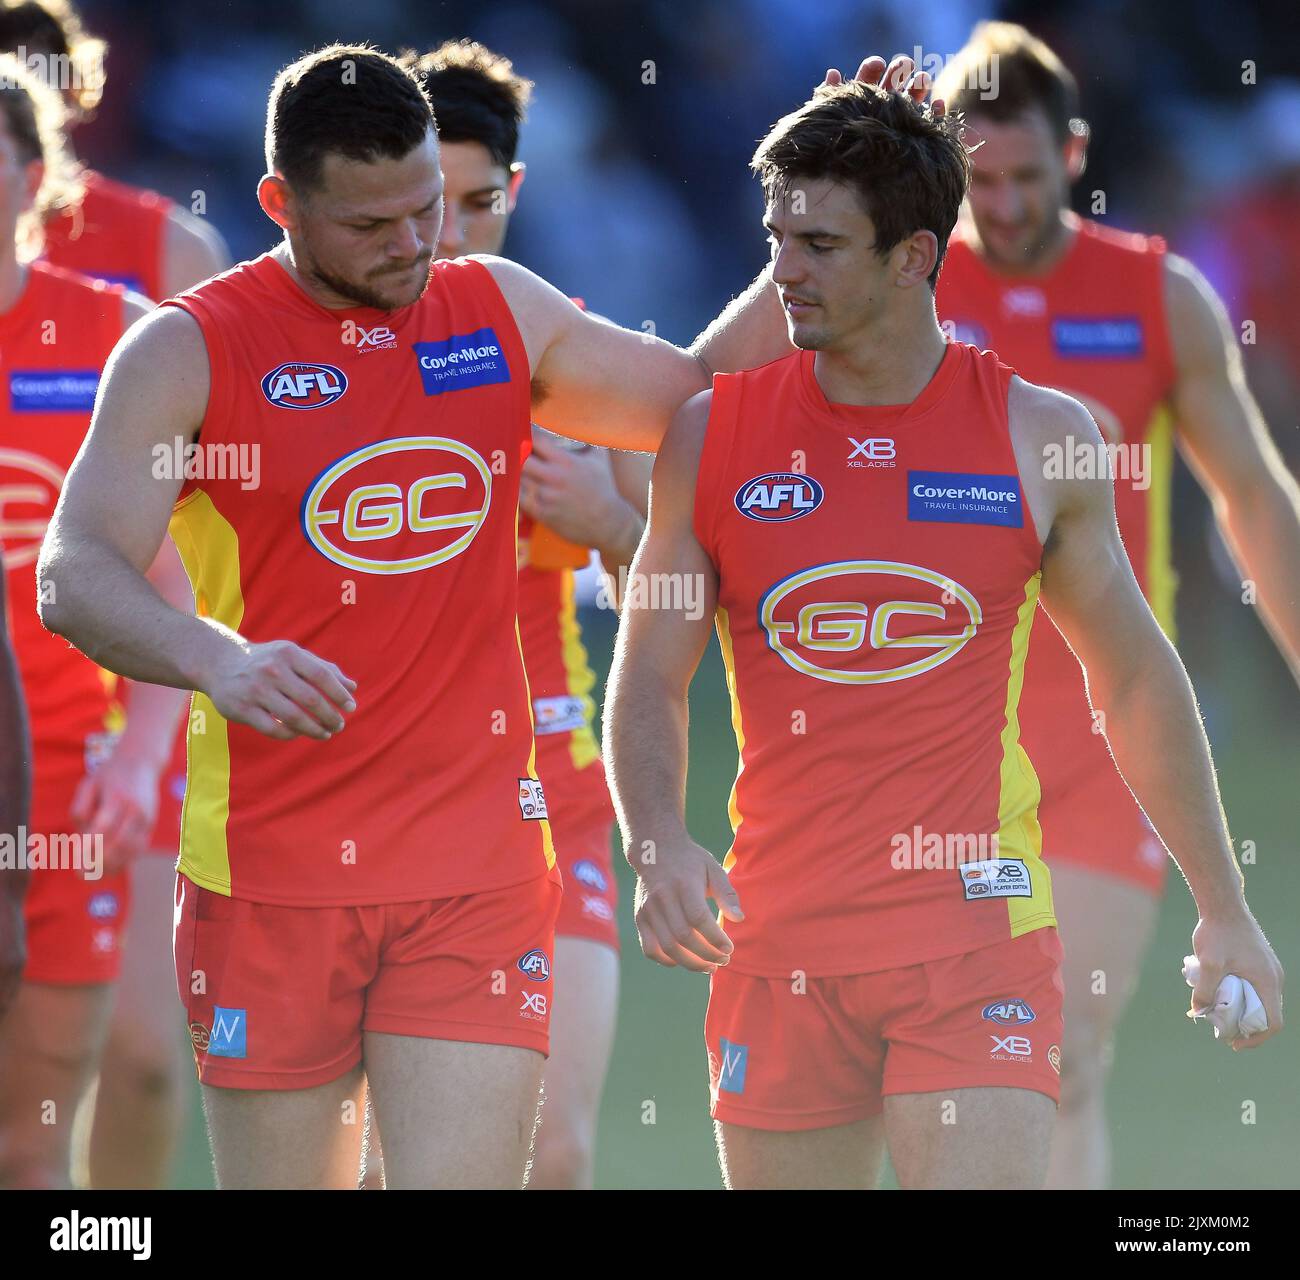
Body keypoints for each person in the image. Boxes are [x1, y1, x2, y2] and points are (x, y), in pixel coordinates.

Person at [36, 41, 817, 1190]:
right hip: (268, 874)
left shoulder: (490, 305)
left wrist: (814, 209)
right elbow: (76, 567)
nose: (414, 245)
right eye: (371, 226)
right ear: (278, 205)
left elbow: (697, 398)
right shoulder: (187, 350)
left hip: (476, 868)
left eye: (427, 211)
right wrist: (218, 659)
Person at [603, 75, 1283, 1191]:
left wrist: (1223, 905)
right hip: (780, 944)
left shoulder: (1037, 438)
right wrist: (658, 841)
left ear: (915, 257)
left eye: (820, 244)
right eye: (777, 237)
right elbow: (648, 675)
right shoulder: (709, 436)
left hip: (974, 943)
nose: (786, 271)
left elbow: (1137, 682)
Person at [932, 22, 1300, 1189]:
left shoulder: (1157, 293)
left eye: (1025, 178)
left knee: (1059, 1050)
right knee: (955, 1077)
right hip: (934, 749)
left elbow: (1249, 493)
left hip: (1105, 743)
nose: (999, 205)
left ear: (1075, 152)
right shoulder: (903, 285)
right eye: (974, 179)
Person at [354, 40, 649, 1191]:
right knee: (395, 1168)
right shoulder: (335, 351)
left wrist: (609, 525)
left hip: (551, 789)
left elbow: (680, 590)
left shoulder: (569, 347)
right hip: (381, 801)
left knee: (555, 1150)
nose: (458, 233)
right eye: (437, 205)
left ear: (515, 193)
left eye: (483, 202)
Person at [0, 0, 231, 1190]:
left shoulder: (140, 294)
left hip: (94, 740)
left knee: (132, 1065)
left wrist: (150, 739)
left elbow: (192, 534)